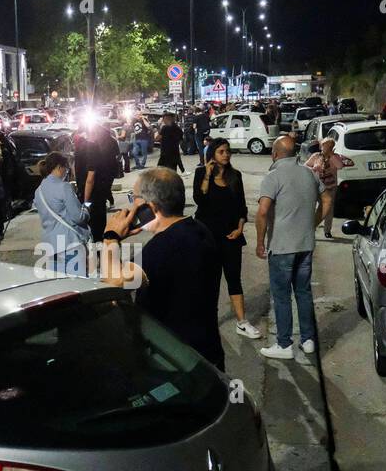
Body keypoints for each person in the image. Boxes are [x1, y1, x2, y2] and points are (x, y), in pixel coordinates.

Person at [101, 166, 226, 370]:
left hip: (174, 362)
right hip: (207, 353)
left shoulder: (162, 247)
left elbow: (112, 285)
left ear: (150, 207)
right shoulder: (199, 229)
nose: (131, 208)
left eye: (134, 200)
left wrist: (110, 238)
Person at [256, 135, 323, 360]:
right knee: (303, 293)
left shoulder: (273, 177)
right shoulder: (309, 173)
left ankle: (284, 344)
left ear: (275, 154)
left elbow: (263, 211)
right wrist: (313, 223)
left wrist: (259, 242)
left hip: (282, 246)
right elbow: (328, 200)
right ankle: (308, 339)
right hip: (306, 244)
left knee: (282, 296)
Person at [193, 139, 259, 339]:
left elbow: (241, 207)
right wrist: (206, 174)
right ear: (212, 154)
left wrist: (240, 228)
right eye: (221, 151)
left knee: (233, 278)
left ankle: (242, 321)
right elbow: (199, 199)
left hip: (231, 236)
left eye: (228, 151)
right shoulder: (200, 173)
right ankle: (208, 321)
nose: (226, 155)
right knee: (209, 280)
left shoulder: (235, 176)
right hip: (207, 237)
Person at [34, 150, 91, 276]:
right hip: (69, 243)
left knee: (60, 286)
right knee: (77, 285)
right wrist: (86, 209)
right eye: (66, 169)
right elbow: (78, 217)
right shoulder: (64, 187)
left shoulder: (38, 191)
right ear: (60, 167)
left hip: (50, 245)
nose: (67, 172)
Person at [73, 125, 114, 243]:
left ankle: (92, 255)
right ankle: (99, 256)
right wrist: (86, 201)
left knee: (88, 229)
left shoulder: (79, 148)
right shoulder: (93, 149)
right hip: (94, 196)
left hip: (83, 192)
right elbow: (91, 177)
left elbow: (76, 171)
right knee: (98, 229)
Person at [304, 137, 345, 238]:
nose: (323, 148)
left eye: (327, 146)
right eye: (323, 146)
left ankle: (327, 230)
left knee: (329, 210)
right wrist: (313, 168)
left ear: (331, 147)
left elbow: (340, 166)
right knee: (313, 208)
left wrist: (331, 156)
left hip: (330, 187)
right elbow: (305, 166)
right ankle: (311, 228)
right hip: (316, 186)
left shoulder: (335, 157)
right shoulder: (316, 156)